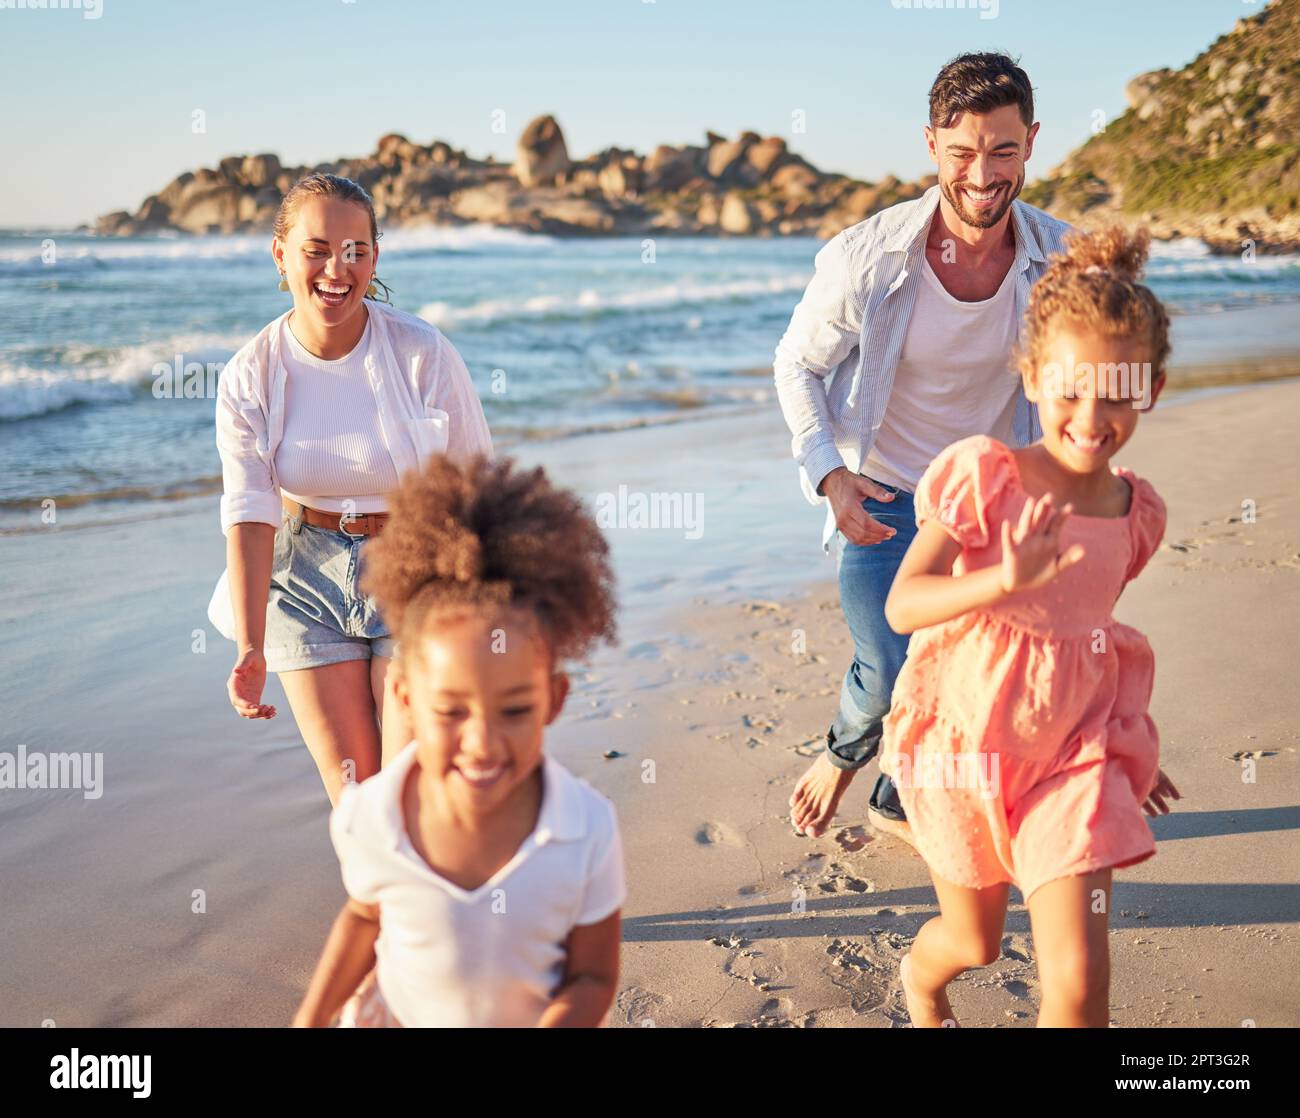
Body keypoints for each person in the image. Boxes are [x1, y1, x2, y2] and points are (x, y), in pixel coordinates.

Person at [879, 226, 1182, 1028]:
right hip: (964, 745)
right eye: (1071, 389)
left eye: (1119, 393)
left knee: (1079, 989)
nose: (1092, 416)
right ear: (1032, 375)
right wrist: (1000, 581)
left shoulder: (1135, 511)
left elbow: (1094, 638)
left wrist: (1130, 751)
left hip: (1075, 759)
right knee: (973, 942)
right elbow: (903, 606)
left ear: (1150, 385)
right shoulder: (989, 476)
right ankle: (921, 981)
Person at [775, 53, 1071, 841]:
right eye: (963, 152)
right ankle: (844, 753)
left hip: (989, 506)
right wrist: (828, 476)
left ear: (1032, 143)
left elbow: (1105, 364)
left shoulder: (1062, 260)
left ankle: (896, 797)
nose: (983, 175)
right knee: (885, 673)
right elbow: (797, 363)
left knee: (970, 676)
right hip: (883, 497)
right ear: (932, 143)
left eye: (1003, 151)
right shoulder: (866, 258)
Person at [293, 455, 624, 1027]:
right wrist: (312, 1017)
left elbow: (593, 975)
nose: (482, 742)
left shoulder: (585, 828)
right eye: (450, 711)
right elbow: (365, 916)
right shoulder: (371, 815)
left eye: (515, 709)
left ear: (554, 699)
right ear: (403, 695)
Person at [208, 173, 492, 805]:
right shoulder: (250, 374)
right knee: (357, 798)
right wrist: (251, 647)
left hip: (416, 568)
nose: (337, 268)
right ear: (281, 255)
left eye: (355, 250)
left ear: (374, 258)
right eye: (316, 249)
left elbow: (476, 487)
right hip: (303, 577)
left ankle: (439, 897)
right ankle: (386, 905)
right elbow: (250, 513)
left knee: (411, 788)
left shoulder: (423, 354)